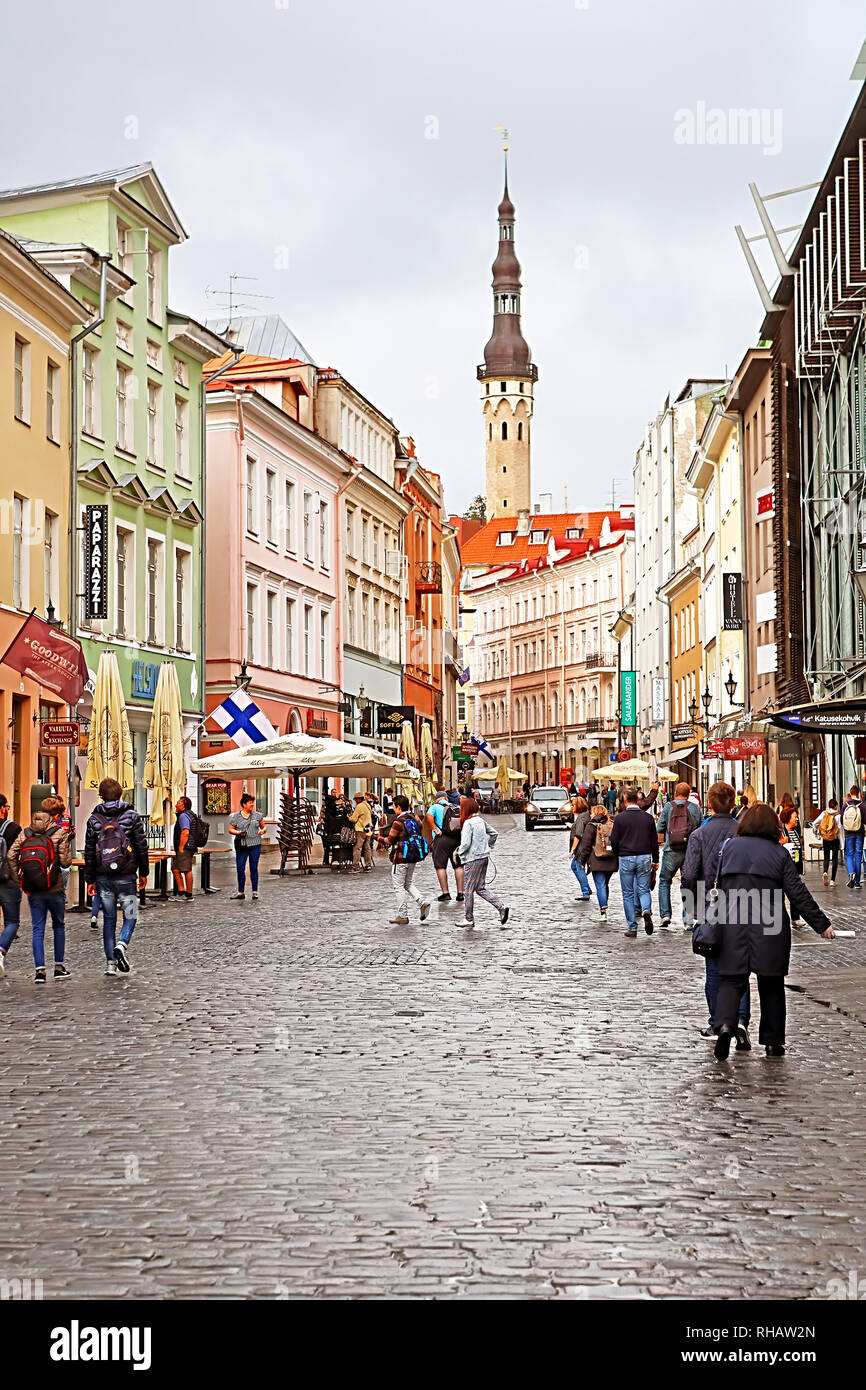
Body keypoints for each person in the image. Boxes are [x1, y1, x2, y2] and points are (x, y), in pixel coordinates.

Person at [711, 803, 834, 1059]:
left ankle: (725, 1025)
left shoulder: (729, 849)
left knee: (731, 980)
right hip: (770, 925)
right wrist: (821, 924)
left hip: (732, 923)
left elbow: (719, 887)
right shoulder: (779, 854)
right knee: (772, 984)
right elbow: (797, 893)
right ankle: (772, 1041)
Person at [681, 781, 750, 1048]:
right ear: (732, 803)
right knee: (740, 966)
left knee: (714, 967)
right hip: (742, 904)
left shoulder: (699, 834)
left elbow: (689, 874)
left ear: (709, 804)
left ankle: (717, 1021)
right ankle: (740, 1020)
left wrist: (693, 906)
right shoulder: (742, 831)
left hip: (711, 904)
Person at [84, 779, 148, 976]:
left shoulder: (94, 819)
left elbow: (89, 851)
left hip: (103, 877)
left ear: (101, 796)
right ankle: (122, 944)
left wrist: (90, 879)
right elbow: (141, 846)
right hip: (127, 876)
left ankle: (110, 965)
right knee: (130, 914)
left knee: (109, 919)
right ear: (120, 794)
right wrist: (144, 872)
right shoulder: (132, 816)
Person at [6, 796, 73, 983]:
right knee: (58, 926)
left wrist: (20, 880)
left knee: (38, 928)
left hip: (33, 889)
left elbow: (11, 856)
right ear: (56, 815)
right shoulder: (59, 833)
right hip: (55, 887)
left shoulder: (26, 832)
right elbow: (66, 862)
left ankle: (40, 971)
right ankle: (58, 968)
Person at [610, 787, 659, 937]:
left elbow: (614, 840)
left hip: (626, 857)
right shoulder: (648, 818)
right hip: (644, 857)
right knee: (644, 890)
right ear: (637, 799)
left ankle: (632, 927)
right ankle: (646, 910)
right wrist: (656, 860)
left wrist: (617, 854)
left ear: (625, 800)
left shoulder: (620, 818)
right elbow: (654, 841)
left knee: (628, 894)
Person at [454, 798, 508, 929]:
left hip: (472, 859)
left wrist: (457, 852)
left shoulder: (468, 823)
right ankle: (501, 906)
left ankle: (469, 919)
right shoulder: (480, 821)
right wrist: (488, 847)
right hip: (484, 858)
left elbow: (466, 844)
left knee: (468, 889)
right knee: (480, 888)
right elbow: (494, 834)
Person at [655, 781, 702, 931]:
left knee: (664, 881)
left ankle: (665, 915)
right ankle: (688, 921)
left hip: (671, 850)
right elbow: (700, 828)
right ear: (689, 794)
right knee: (688, 883)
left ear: (675, 793)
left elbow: (659, 827)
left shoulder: (669, 807)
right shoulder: (695, 808)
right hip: (689, 851)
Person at [387, 795, 431, 925]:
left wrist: (372, 835)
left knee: (399, 886)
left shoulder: (398, 822)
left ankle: (403, 915)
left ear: (398, 807)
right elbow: (420, 828)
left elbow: (389, 841)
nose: (393, 808)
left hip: (400, 857)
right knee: (408, 883)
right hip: (413, 855)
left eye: (394, 806)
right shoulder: (415, 817)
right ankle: (422, 902)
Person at [576, 802, 617, 921]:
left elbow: (586, 845)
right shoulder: (612, 824)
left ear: (595, 813)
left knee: (600, 885)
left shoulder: (592, 825)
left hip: (596, 859)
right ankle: (604, 904)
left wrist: (582, 862)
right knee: (605, 884)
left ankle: (603, 911)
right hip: (611, 859)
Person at [228, 793, 271, 899]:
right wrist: (238, 832)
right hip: (242, 846)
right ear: (244, 804)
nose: (252, 804)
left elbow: (264, 827)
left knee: (254, 868)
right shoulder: (236, 816)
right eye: (250, 803)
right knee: (240, 868)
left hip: (255, 845)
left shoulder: (257, 815)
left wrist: (263, 831)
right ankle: (241, 892)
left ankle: (255, 892)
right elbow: (230, 829)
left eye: (252, 803)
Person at [426, 788, 465, 902]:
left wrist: (434, 829)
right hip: (457, 839)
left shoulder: (434, 806)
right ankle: (460, 893)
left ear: (437, 799)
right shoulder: (456, 806)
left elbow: (429, 816)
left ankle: (445, 893)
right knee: (458, 865)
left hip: (441, 839)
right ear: (446, 798)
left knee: (440, 866)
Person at [0, 794, 22, 979]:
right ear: (2, 809)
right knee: (12, 922)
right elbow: (18, 856)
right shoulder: (13, 828)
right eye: (6, 806)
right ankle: (0, 951)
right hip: (7, 881)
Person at [171, 795, 198, 900]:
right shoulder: (190, 814)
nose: (175, 805)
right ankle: (182, 891)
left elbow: (185, 832)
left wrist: (181, 847)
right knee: (176, 869)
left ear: (183, 805)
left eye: (178, 803)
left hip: (186, 846)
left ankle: (187, 894)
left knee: (185, 870)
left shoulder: (183, 816)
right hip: (190, 845)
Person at [568, 796, 592, 902]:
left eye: (573, 805)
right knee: (574, 866)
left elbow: (579, 834)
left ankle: (585, 892)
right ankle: (586, 887)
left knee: (578, 867)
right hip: (583, 847)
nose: (572, 807)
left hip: (581, 848)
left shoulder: (581, 817)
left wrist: (573, 849)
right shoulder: (585, 815)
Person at [813, 797, 841, 886]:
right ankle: (833, 880)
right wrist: (842, 842)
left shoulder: (823, 813)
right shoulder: (838, 815)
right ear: (836, 806)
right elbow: (840, 829)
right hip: (834, 839)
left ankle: (825, 872)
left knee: (826, 857)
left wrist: (817, 834)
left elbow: (814, 823)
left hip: (825, 838)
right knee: (835, 858)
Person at [841, 785, 865, 888]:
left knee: (850, 854)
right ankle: (857, 882)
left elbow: (842, 820)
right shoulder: (862, 805)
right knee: (858, 855)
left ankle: (851, 873)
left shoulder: (845, 805)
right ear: (858, 793)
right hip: (859, 833)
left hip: (848, 833)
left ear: (850, 794)